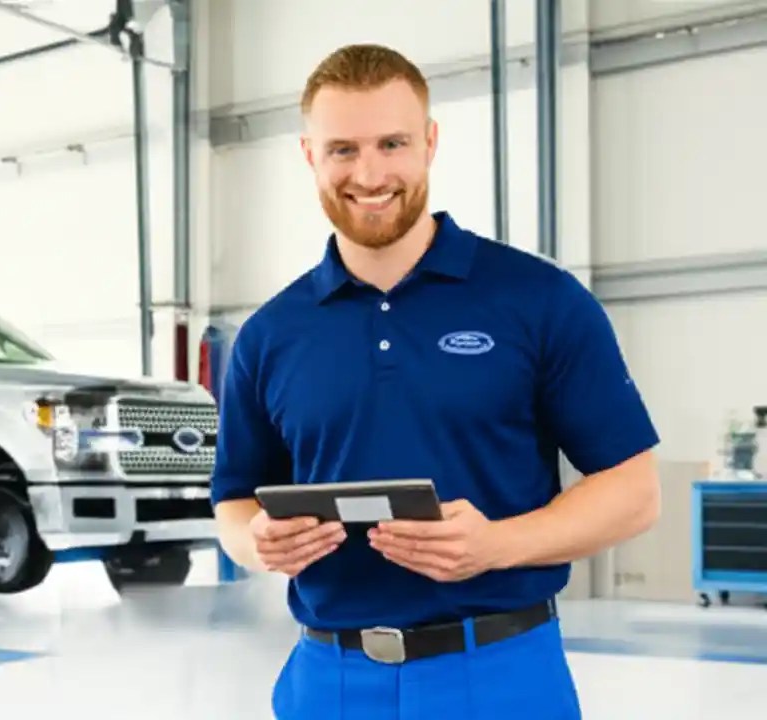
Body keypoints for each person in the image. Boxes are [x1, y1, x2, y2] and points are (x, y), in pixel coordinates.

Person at [209, 43, 661, 720]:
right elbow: (234, 504)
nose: (369, 173)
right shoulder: (272, 335)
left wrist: (496, 546)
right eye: (342, 150)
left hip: (501, 673)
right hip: (327, 682)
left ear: (430, 142)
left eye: (392, 143)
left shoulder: (539, 300)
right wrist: (259, 542)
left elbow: (633, 493)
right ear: (309, 155)